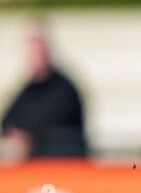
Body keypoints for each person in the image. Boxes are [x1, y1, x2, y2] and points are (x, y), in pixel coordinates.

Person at [1, 25, 86, 161]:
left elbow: (52, 124)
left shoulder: (64, 89)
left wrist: (28, 137)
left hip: (59, 163)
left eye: (38, 48)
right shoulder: (27, 90)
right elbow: (7, 120)